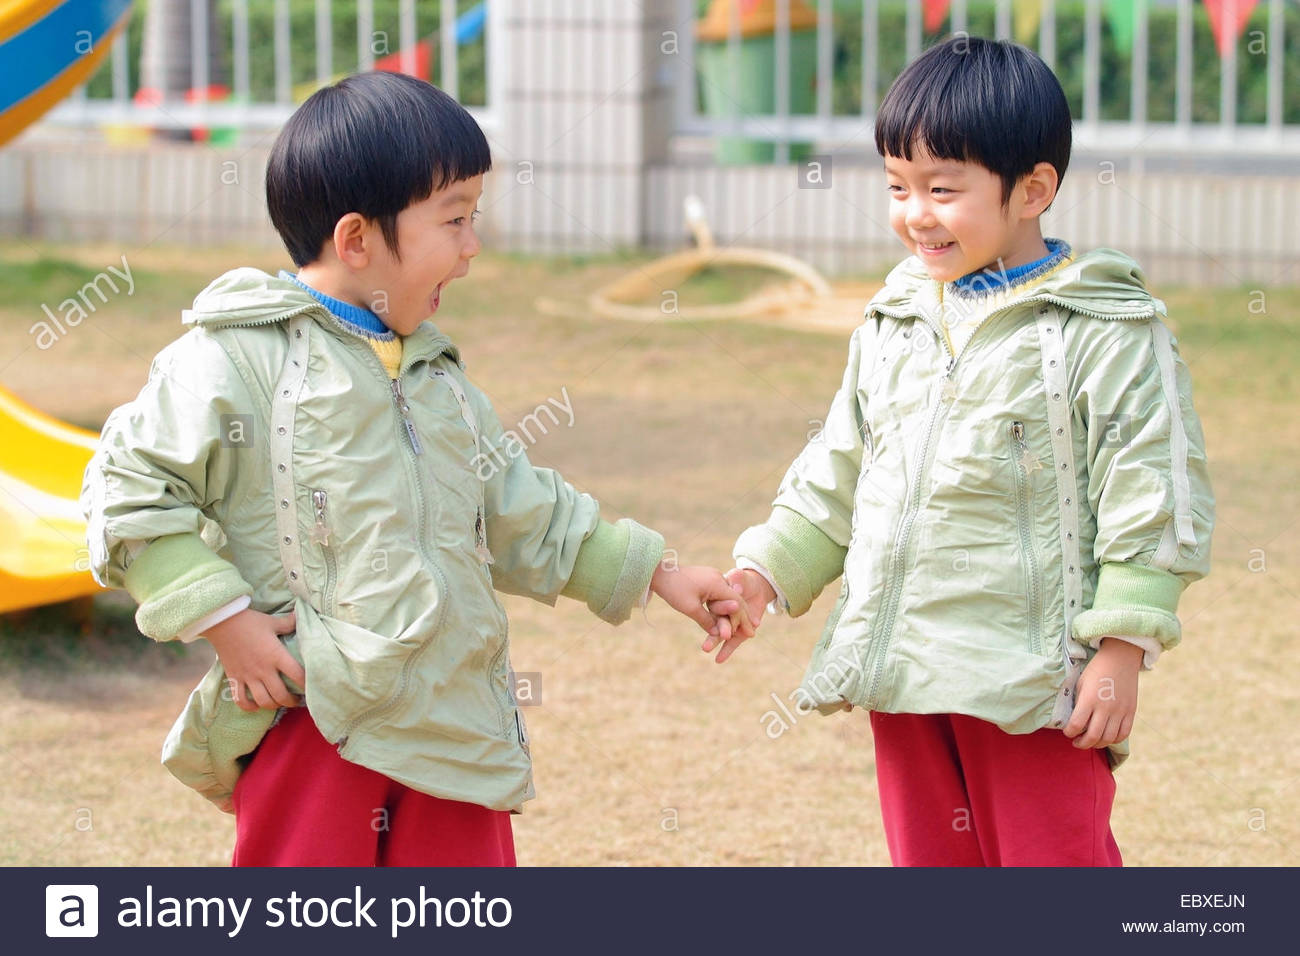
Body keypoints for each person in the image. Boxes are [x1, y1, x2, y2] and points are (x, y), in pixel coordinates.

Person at [82, 71, 750, 867]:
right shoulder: (233, 361)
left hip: (453, 726)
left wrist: (658, 575)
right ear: (359, 240)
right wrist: (227, 624)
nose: (472, 248)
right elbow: (126, 490)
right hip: (313, 718)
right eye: (455, 220)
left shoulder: (438, 380)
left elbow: (523, 510)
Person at [705, 36, 1214, 866]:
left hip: (1031, 686)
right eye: (898, 188)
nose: (915, 214)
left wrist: (1120, 651)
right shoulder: (897, 317)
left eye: (943, 189)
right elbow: (837, 471)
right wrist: (764, 574)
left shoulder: (1106, 330)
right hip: (902, 668)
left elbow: (1153, 496)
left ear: (1033, 189)